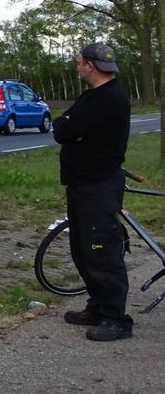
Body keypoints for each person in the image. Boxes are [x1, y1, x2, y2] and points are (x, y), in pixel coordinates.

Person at [53, 42, 133, 342]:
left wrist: (69, 127)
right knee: (84, 250)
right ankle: (98, 307)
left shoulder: (107, 99)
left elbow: (63, 130)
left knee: (102, 251)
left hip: (97, 185)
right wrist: (69, 126)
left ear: (89, 65)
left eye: (79, 62)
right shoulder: (94, 96)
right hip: (83, 183)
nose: (77, 67)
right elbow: (64, 126)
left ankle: (116, 318)